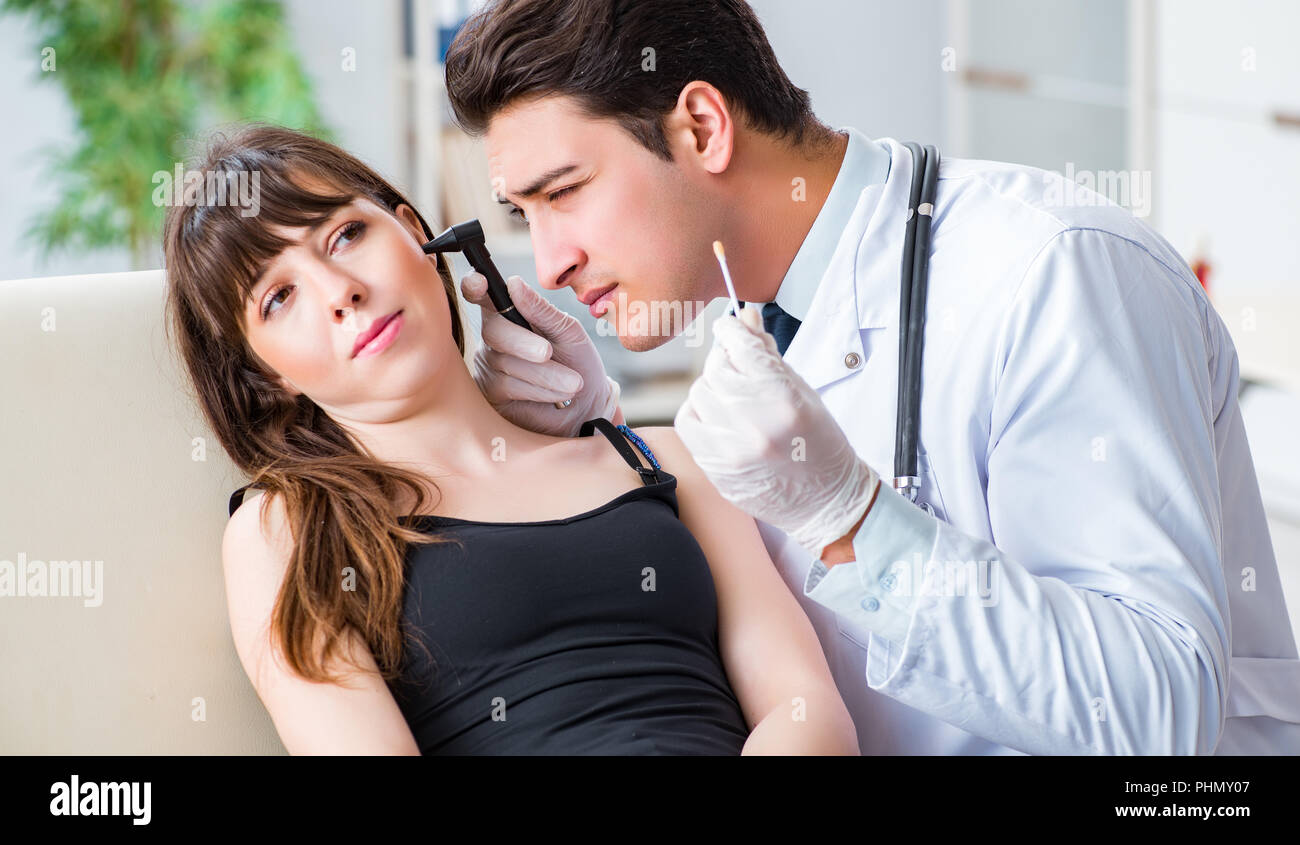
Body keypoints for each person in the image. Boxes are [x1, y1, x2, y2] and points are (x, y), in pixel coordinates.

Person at [443, 0, 1300, 754]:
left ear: (701, 126)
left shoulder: (1053, 271)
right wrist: (609, 438)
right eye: (526, 215)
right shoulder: (763, 316)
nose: (550, 263)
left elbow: (1160, 713)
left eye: (564, 193)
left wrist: (851, 517)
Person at [161, 124, 859, 755]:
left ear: (414, 231)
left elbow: (809, 711)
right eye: (279, 297)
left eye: (345, 236)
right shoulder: (288, 531)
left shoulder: (663, 456)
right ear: (266, 375)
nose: (339, 290)